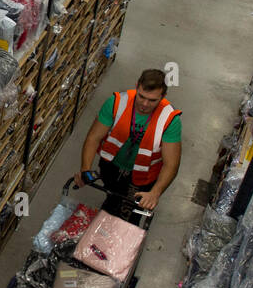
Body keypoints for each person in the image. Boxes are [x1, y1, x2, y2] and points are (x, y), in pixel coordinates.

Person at [75, 69, 181, 213]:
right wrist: (85, 169)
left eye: (152, 100)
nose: (144, 104)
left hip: (144, 176)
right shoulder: (117, 102)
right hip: (110, 166)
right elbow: (94, 137)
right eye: (141, 96)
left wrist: (155, 193)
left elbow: (171, 164)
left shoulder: (170, 119)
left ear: (163, 96)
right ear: (136, 86)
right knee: (112, 196)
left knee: (130, 213)